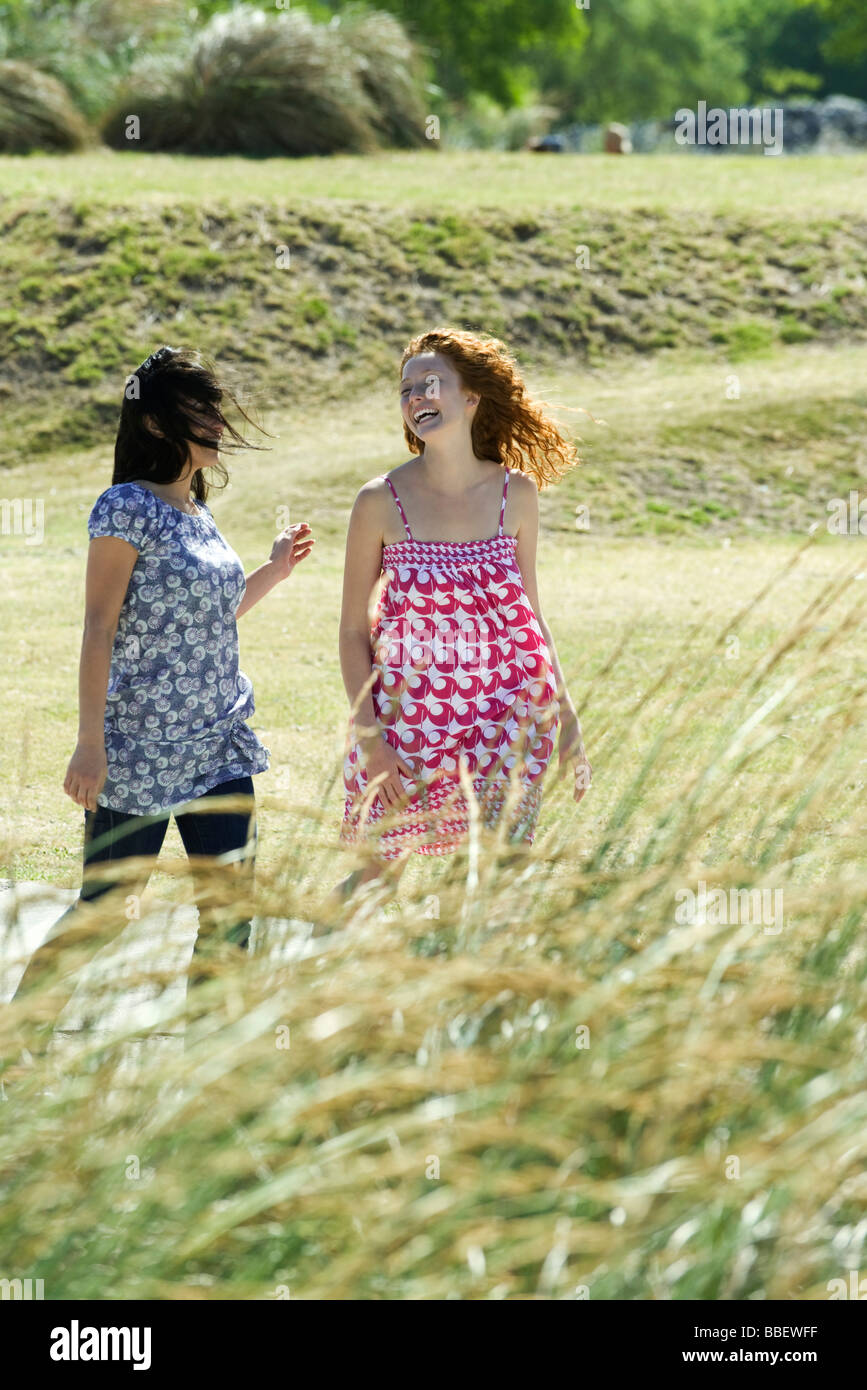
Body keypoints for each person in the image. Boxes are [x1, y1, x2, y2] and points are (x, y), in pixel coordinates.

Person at [13, 346, 314, 1054]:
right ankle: (17, 1038)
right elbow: (99, 626)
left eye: (214, 406)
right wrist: (91, 743)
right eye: (198, 409)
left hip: (217, 741)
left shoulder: (197, 511)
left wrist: (271, 570)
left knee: (231, 905)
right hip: (139, 750)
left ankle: (213, 1057)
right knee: (109, 909)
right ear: (155, 423)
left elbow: (208, 616)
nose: (214, 420)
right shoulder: (126, 507)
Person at [337, 327, 591, 896]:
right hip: (407, 727)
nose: (414, 399)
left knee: (493, 878)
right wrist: (371, 738)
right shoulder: (379, 500)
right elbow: (353, 629)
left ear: (472, 396)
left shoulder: (516, 494)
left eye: (429, 384)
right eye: (405, 391)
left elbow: (531, 617)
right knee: (375, 877)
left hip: (506, 720)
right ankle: (294, 977)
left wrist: (568, 720)